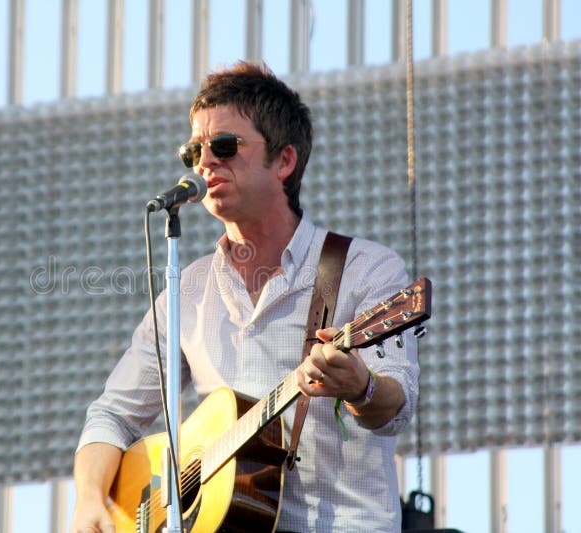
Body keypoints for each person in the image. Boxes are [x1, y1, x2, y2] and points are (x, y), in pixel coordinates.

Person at [71, 61, 419, 533]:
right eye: (193, 150)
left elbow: (396, 410)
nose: (204, 163)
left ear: (284, 161)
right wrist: (90, 500)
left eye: (224, 146)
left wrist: (361, 386)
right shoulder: (187, 290)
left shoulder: (365, 269)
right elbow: (112, 415)